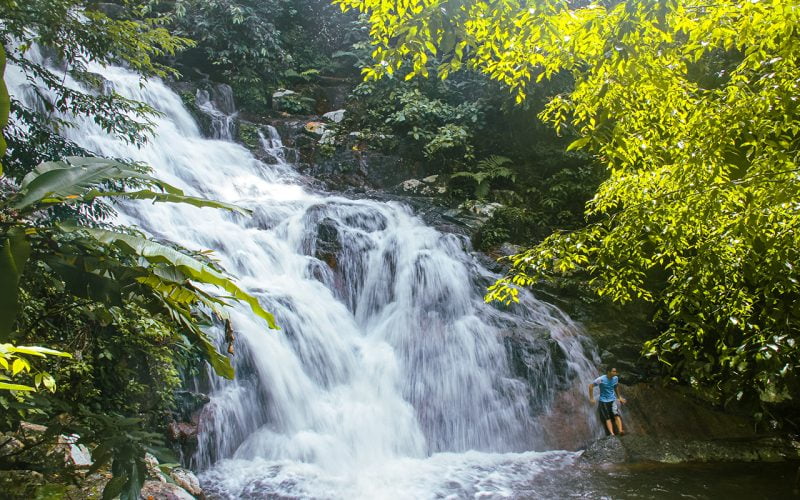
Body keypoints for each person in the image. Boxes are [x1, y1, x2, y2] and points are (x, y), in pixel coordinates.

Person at [588, 366, 627, 436]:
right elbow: (591, 386)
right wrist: (591, 398)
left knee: (616, 414)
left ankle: (620, 430)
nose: (615, 373)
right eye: (613, 371)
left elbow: (615, 387)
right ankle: (612, 434)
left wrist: (619, 397)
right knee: (607, 417)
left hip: (612, 400)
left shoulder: (615, 378)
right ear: (608, 372)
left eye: (615, 371)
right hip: (603, 401)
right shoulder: (601, 379)